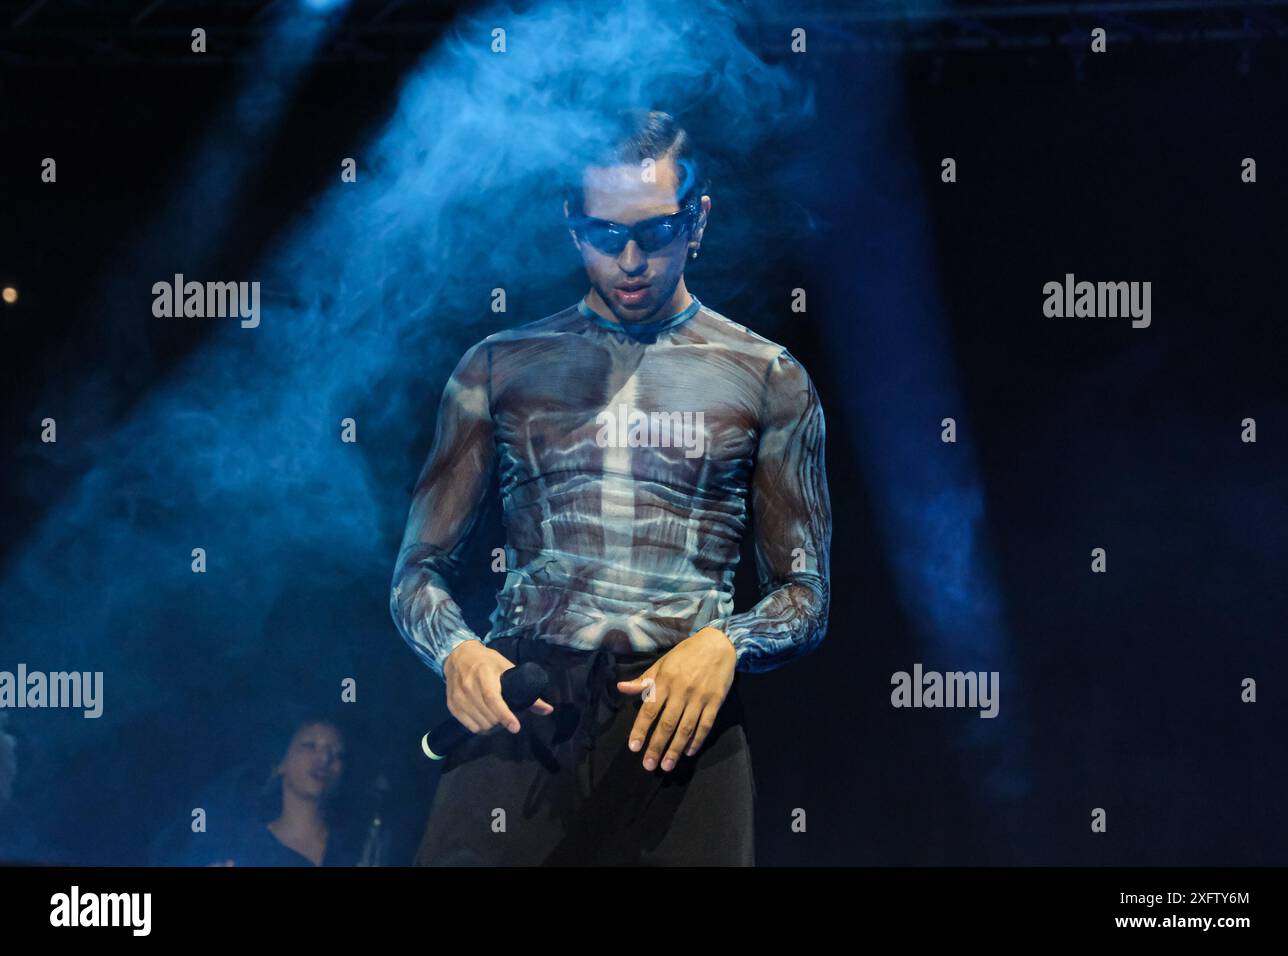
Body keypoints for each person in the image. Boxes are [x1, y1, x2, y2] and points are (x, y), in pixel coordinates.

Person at [390, 109, 831, 865]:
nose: (630, 259)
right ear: (571, 224)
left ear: (698, 219)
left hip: (681, 719)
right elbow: (416, 572)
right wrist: (458, 653)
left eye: (655, 233)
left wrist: (728, 641)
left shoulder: (768, 377)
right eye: (605, 234)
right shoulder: (498, 367)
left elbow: (807, 594)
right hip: (526, 708)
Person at [211, 715, 360, 867]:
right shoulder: (248, 848)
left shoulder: (359, 847)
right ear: (281, 762)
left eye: (336, 753)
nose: (325, 757)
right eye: (310, 746)